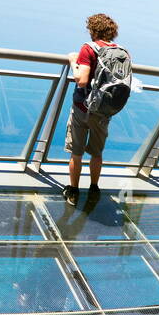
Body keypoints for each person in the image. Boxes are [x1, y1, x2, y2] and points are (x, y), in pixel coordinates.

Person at [63, 13, 124, 205]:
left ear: (92, 30)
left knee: (77, 152)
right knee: (97, 153)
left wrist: (74, 61)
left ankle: (73, 191)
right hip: (105, 110)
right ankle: (94, 187)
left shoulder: (87, 49)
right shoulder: (122, 52)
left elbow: (81, 80)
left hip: (83, 107)